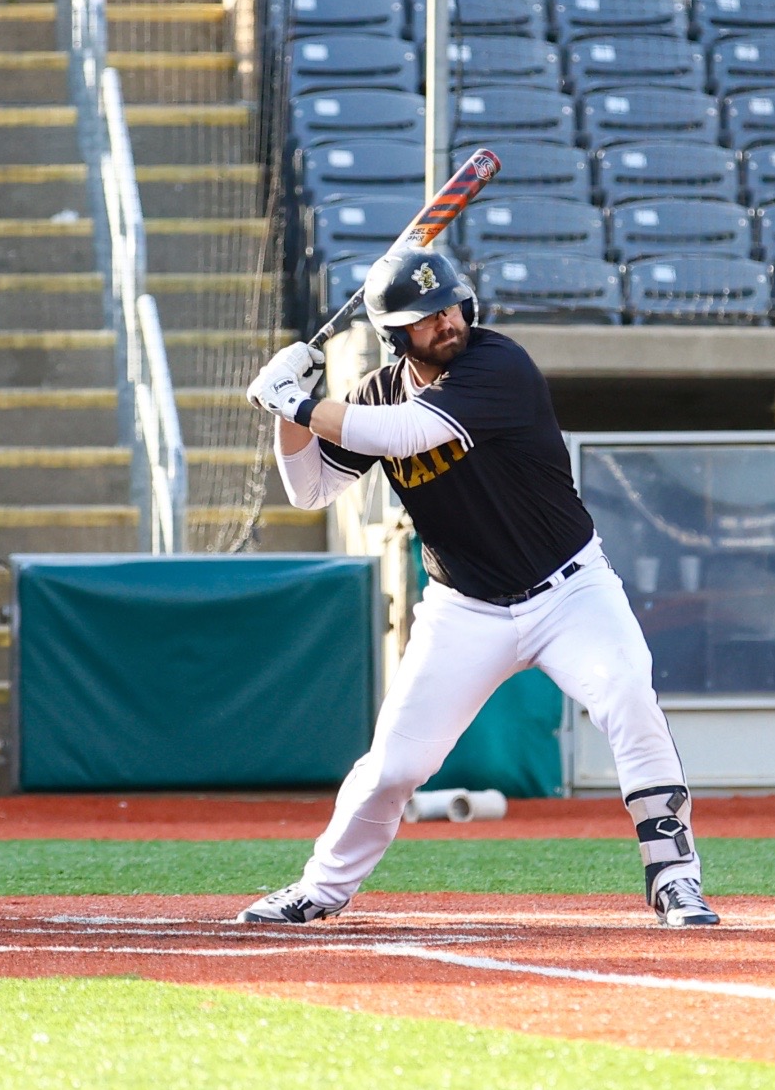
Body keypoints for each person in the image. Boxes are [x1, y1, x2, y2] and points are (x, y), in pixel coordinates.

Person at [238, 247, 717, 927]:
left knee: (628, 693)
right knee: (394, 767)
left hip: (571, 590)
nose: (446, 322)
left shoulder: (498, 364)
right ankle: (322, 887)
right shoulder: (376, 392)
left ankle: (675, 879)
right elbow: (310, 488)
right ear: (395, 334)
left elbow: (407, 435)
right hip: (464, 609)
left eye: (450, 305)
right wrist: (286, 413)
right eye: (424, 317)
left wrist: (303, 402)